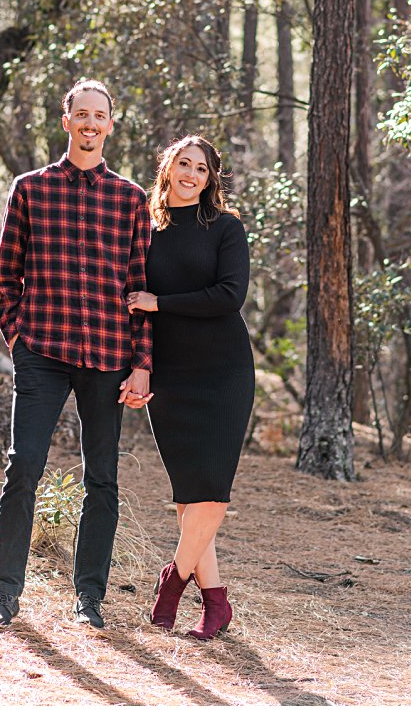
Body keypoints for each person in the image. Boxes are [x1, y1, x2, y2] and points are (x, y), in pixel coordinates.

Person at [0, 79, 153, 629]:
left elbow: (141, 287)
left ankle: (89, 600)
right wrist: (18, 338)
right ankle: (5, 595)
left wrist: (143, 362)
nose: (89, 123)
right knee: (23, 467)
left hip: (107, 355)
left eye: (98, 115)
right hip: (44, 352)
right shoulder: (30, 189)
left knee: (101, 477)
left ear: (109, 124)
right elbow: (5, 276)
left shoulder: (130, 200)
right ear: (66, 122)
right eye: (80, 114)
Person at [126, 135, 253, 640]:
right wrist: (138, 366)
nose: (192, 175)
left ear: (210, 178)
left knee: (212, 493)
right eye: (184, 164)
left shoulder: (225, 227)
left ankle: (173, 583)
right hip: (171, 374)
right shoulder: (145, 230)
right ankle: (217, 603)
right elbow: (130, 299)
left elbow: (229, 295)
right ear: (168, 168)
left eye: (201, 168)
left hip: (223, 371)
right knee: (189, 496)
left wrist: (160, 302)